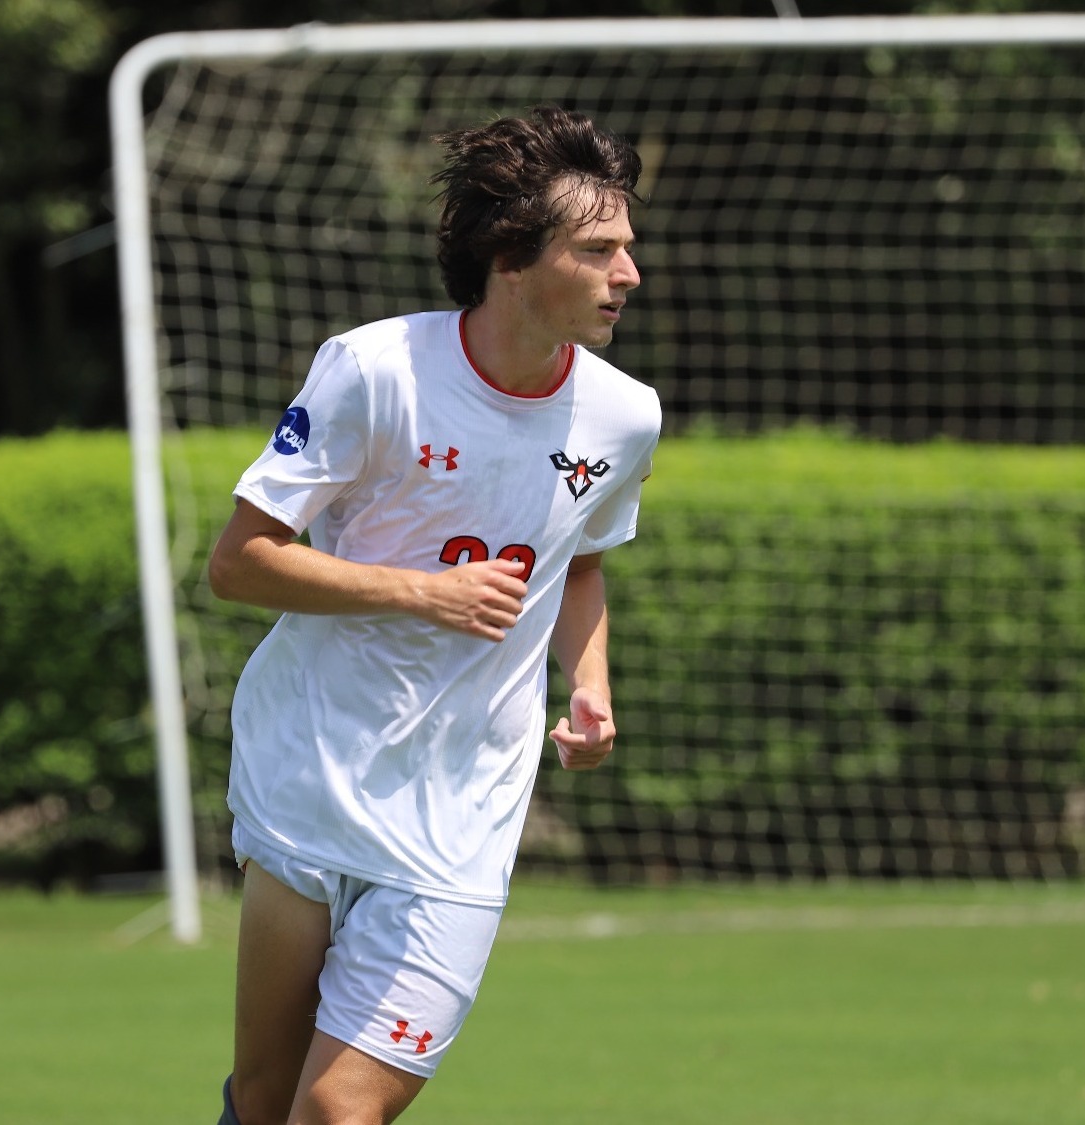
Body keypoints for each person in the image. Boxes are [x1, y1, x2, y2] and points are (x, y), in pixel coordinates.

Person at [207, 105, 661, 1125]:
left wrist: (589, 686)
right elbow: (239, 563)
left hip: (462, 815)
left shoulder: (625, 415)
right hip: (311, 774)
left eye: (627, 247)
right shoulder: (374, 371)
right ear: (511, 258)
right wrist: (422, 591)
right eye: (597, 250)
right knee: (266, 1099)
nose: (628, 274)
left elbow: (578, 563)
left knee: (340, 1110)